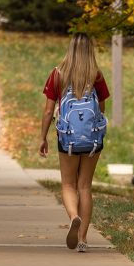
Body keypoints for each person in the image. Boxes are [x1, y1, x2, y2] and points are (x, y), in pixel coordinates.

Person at [38, 33, 110, 252]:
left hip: (67, 138)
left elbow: (49, 110)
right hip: (92, 140)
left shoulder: (57, 74)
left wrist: (43, 137)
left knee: (68, 184)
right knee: (85, 186)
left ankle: (73, 216)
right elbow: (102, 109)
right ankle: (82, 239)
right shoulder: (96, 75)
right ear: (90, 51)